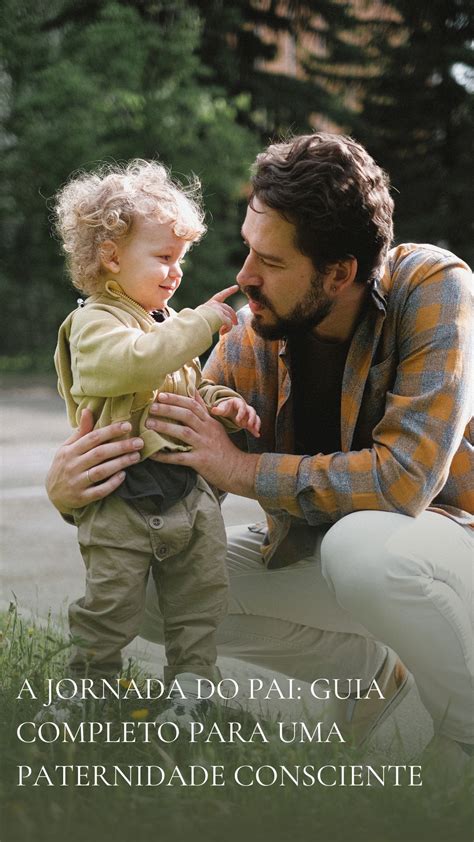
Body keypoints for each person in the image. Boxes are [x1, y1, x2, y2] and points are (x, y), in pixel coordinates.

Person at [46, 135, 473, 763]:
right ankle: (369, 676)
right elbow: (185, 470)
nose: (244, 277)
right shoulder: (251, 335)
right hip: (326, 557)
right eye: (248, 249)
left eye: (268, 262)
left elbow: (404, 482)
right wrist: (72, 491)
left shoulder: (432, 284)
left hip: (449, 545)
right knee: (148, 589)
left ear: (338, 272)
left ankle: (464, 734)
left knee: (362, 550)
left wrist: (242, 467)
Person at [50, 159, 261, 716]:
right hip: (121, 496)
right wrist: (201, 323)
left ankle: (193, 693)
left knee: (199, 603)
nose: (176, 272)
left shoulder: (161, 325)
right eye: (163, 257)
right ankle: (86, 694)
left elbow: (184, 383)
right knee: (110, 605)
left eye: (181, 260)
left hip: (187, 496)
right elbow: (127, 368)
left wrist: (223, 404)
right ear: (111, 256)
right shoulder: (97, 322)